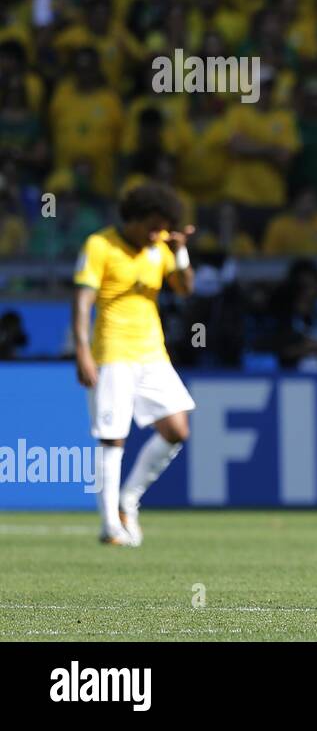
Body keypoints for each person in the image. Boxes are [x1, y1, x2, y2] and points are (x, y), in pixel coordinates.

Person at [72, 183, 196, 547]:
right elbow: (82, 299)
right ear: (134, 218)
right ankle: (110, 526)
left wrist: (181, 252)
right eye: (153, 226)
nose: (157, 233)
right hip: (112, 351)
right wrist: (82, 349)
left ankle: (129, 499)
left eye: (163, 227)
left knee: (177, 429)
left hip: (152, 353)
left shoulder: (160, 249)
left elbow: (185, 289)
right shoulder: (100, 245)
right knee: (113, 438)